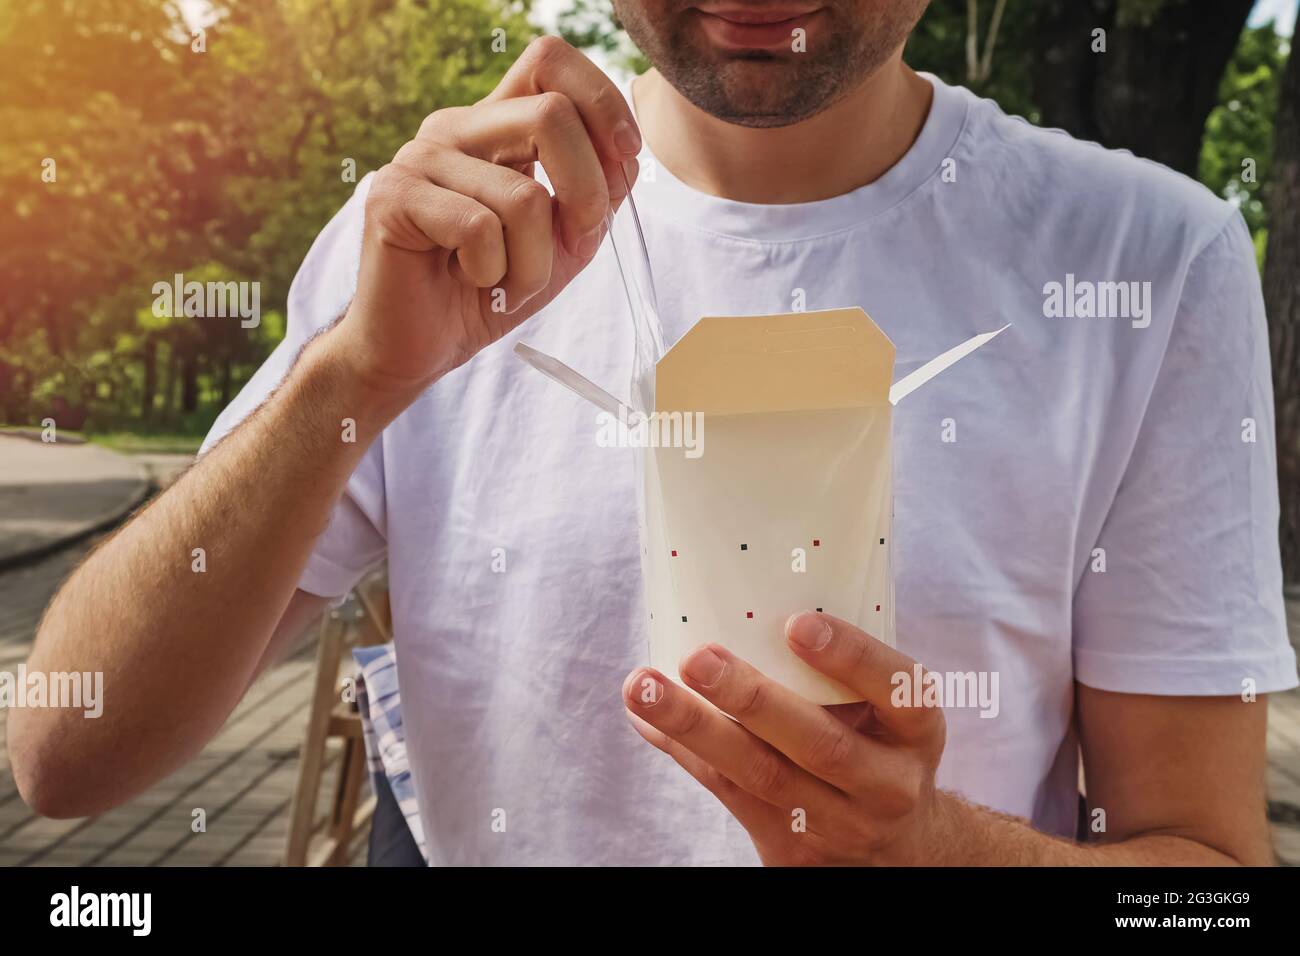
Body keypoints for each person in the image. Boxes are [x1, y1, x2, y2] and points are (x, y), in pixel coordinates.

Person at [11, 0, 1296, 866]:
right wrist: (348, 375)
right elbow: (65, 752)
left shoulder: (1149, 260)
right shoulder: (427, 237)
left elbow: (1200, 876)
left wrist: (937, 849)